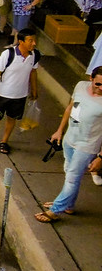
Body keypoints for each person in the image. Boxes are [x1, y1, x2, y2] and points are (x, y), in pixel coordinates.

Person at [35, 66, 102, 223]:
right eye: (98, 84)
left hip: (86, 145)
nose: (100, 89)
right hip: (70, 138)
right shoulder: (81, 86)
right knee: (70, 172)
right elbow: (72, 108)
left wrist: (100, 156)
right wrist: (59, 131)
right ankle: (69, 204)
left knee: (72, 177)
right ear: (91, 79)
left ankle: (56, 210)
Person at [0, 28, 40, 154]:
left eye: (34, 40)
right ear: (21, 42)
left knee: (12, 119)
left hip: (20, 95)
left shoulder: (35, 55)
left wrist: (34, 90)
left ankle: (4, 141)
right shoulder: (8, 54)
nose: (34, 43)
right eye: (30, 41)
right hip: (3, 93)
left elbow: (33, 72)